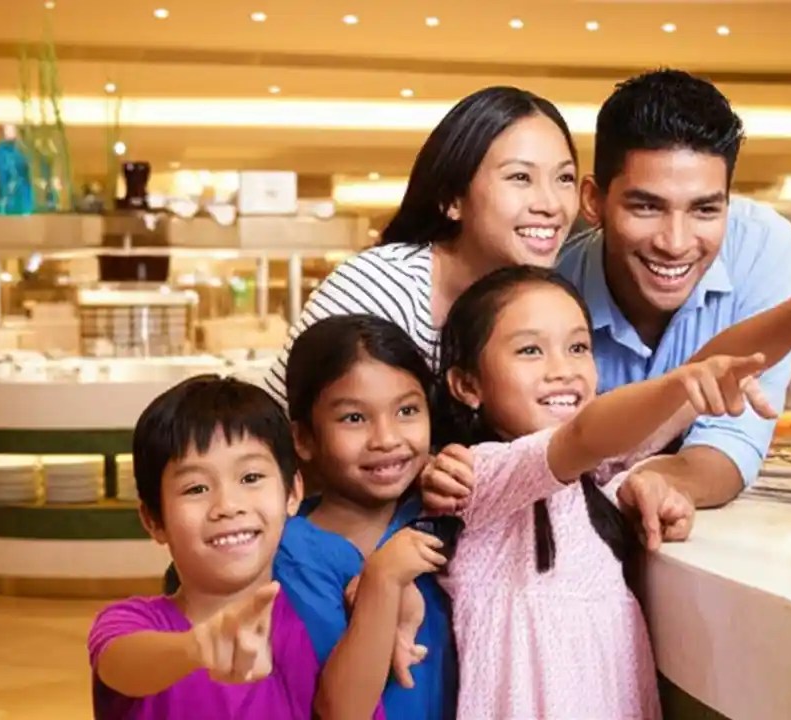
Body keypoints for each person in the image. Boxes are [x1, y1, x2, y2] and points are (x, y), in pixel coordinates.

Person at [431, 265, 773, 719]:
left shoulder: (595, 477)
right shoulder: (477, 475)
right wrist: (677, 382)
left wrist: (659, 492)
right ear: (467, 385)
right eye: (531, 350)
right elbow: (584, 437)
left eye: (578, 347)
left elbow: (685, 401)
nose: (563, 370)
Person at [88, 376, 439, 720]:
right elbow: (121, 664)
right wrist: (194, 648)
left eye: (251, 478)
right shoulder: (133, 624)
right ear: (154, 520)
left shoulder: (316, 616)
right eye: (195, 488)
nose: (228, 505)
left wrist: (383, 591)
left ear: (292, 493)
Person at [555, 68, 791, 509]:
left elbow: (732, 439)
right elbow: (537, 453)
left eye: (705, 210)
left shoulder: (762, 245)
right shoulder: (549, 281)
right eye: (647, 206)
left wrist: (657, 483)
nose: (675, 243)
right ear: (594, 202)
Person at [264, 85, 580, 405]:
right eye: (520, 178)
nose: (552, 204)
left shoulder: (552, 296)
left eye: (565, 178)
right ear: (452, 199)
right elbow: (279, 431)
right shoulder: (382, 286)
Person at [274, 315, 457, 720]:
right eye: (354, 418)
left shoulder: (438, 511)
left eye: (407, 410)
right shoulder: (296, 553)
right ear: (303, 438)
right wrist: (383, 579)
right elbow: (340, 709)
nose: (387, 439)